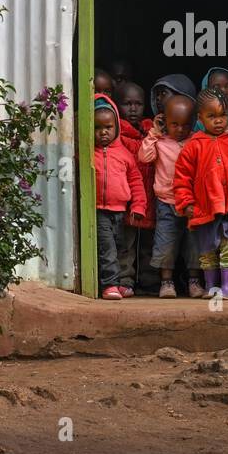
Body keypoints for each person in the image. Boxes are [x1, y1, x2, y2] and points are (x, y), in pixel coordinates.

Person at [172, 87, 228, 299]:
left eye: (223, 115)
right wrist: (186, 203)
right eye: (211, 116)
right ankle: (212, 288)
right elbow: (182, 178)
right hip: (204, 210)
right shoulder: (193, 146)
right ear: (200, 118)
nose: (218, 121)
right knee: (207, 253)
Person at [139, 94, 201, 299]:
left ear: (193, 123)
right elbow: (144, 156)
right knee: (166, 243)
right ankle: (166, 283)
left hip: (193, 203)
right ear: (164, 121)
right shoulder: (160, 142)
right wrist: (154, 133)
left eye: (185, 125)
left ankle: (194, 281)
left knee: (194, 244)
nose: (180, 129)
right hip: (166, 202)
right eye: (174, 124)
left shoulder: (197, 141)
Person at [92, 94, 146, 300]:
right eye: (97, 128)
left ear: (117, 127)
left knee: (123, 249)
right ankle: (109, 285)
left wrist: (139, 207)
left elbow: (136, 182)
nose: (103, 132)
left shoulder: (124, 154)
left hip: (121, 211)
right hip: (99, 210)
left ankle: (123, 282)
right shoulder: (88, 152)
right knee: (107, 249)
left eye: (108, 127)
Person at [114, 81, 155, 295]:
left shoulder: (152, 131)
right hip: (129, 199)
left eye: (138, 103)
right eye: (126, 103)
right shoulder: (116, 134)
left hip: (151, 198)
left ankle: (149, 282)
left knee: (149, 243)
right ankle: (125, 280)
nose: (132, 109)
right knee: (126, 243)